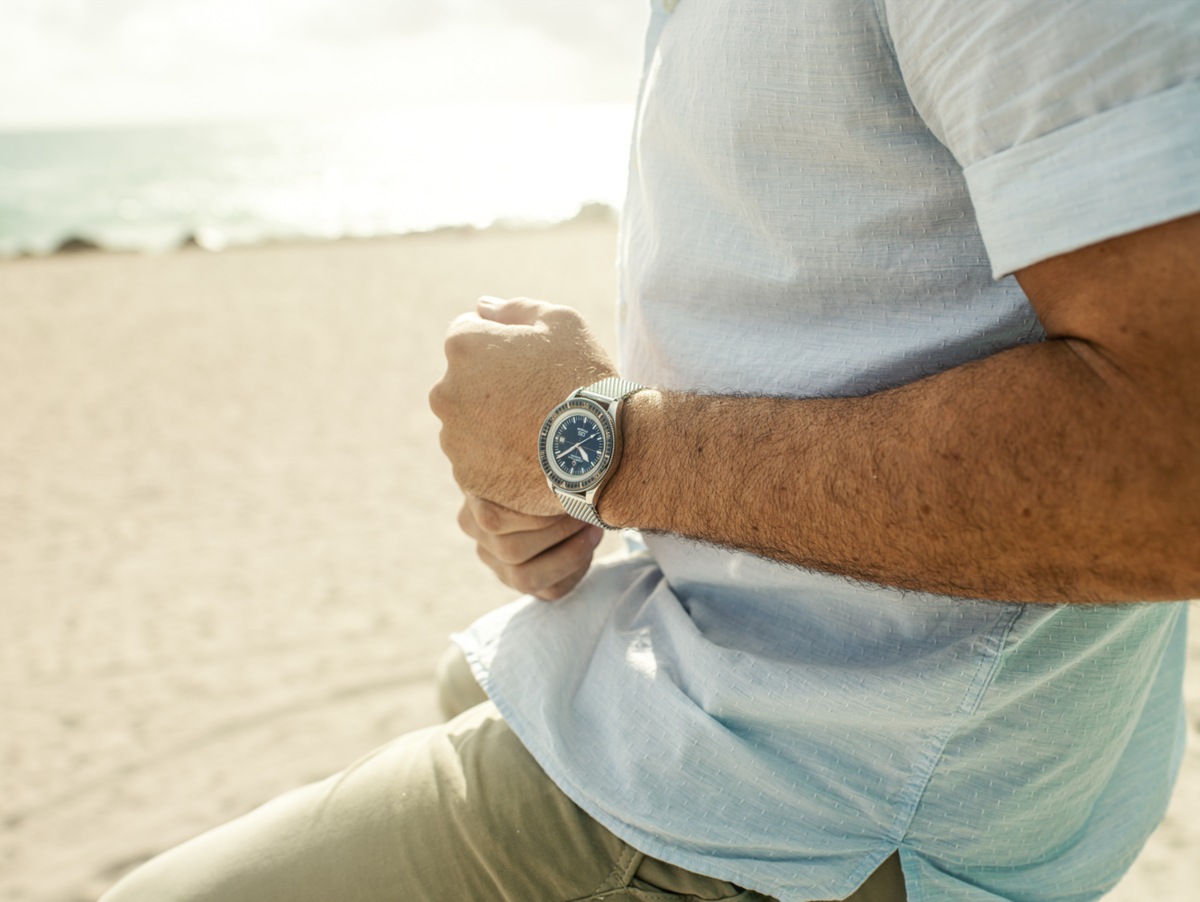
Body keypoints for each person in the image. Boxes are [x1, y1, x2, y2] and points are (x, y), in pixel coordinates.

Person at [102, 1, 1199, 900]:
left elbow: (1173, 462)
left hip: (819, 791)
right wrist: (564, 473)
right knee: (461, 677)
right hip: (747, 678)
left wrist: (594, 444)